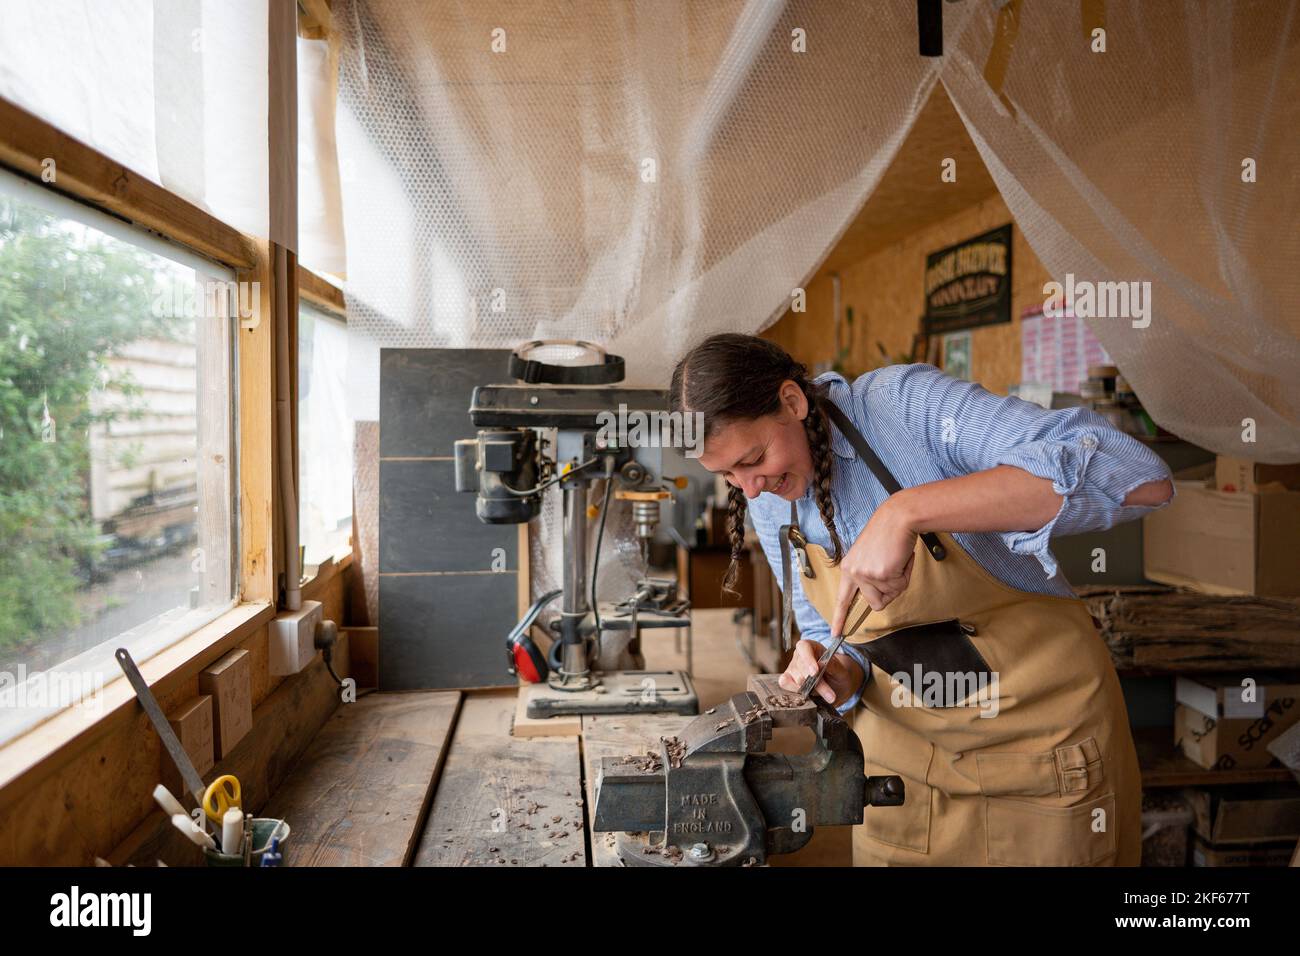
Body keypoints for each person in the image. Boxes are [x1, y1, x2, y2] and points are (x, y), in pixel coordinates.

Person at [669, 333, 1174, 866]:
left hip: (1044, 761)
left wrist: (908, 510)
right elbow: (828, 630)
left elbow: (1140, 477)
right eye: (728, 475)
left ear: (792, 402)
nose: (749, 489)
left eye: (754, 458)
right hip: (903, 780)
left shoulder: (904, 408)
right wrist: (835, 668)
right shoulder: (773, 500)